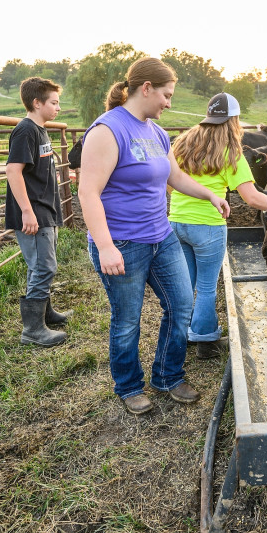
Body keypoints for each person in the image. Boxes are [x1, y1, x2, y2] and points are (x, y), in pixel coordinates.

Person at [78, 58, 230, 416]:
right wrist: (105, 246)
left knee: (181, 305)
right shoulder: (107, 131)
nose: (169, 103)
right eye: (166, 94)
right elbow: (88, 193)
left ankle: (167, 375)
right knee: (127, 318)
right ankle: (129, 386)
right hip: (123, 243)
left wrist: (208, 194)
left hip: (161, 236)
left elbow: (174, 177)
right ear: (145, 88)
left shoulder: (157, 133)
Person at [169, 93, 267, 359]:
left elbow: (170, 183)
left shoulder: (181, 144)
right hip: (207, 226)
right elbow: (253, 198)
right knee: (205, 286)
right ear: (233, 120)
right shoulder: (230, 152)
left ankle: (181, 336)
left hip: (177, 222)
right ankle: (205, 340)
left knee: (185, 284)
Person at [5, 77, 71, 348]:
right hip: (33, 213)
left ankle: (45, 314)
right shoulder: (26, 131)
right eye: (54, 103)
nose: (58, 108)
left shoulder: (40, 130)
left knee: (41, 265)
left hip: (45, 210)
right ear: (37, 103)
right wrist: (27, 212)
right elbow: (13, 171)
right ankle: (32, 330)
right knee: (44, 266)